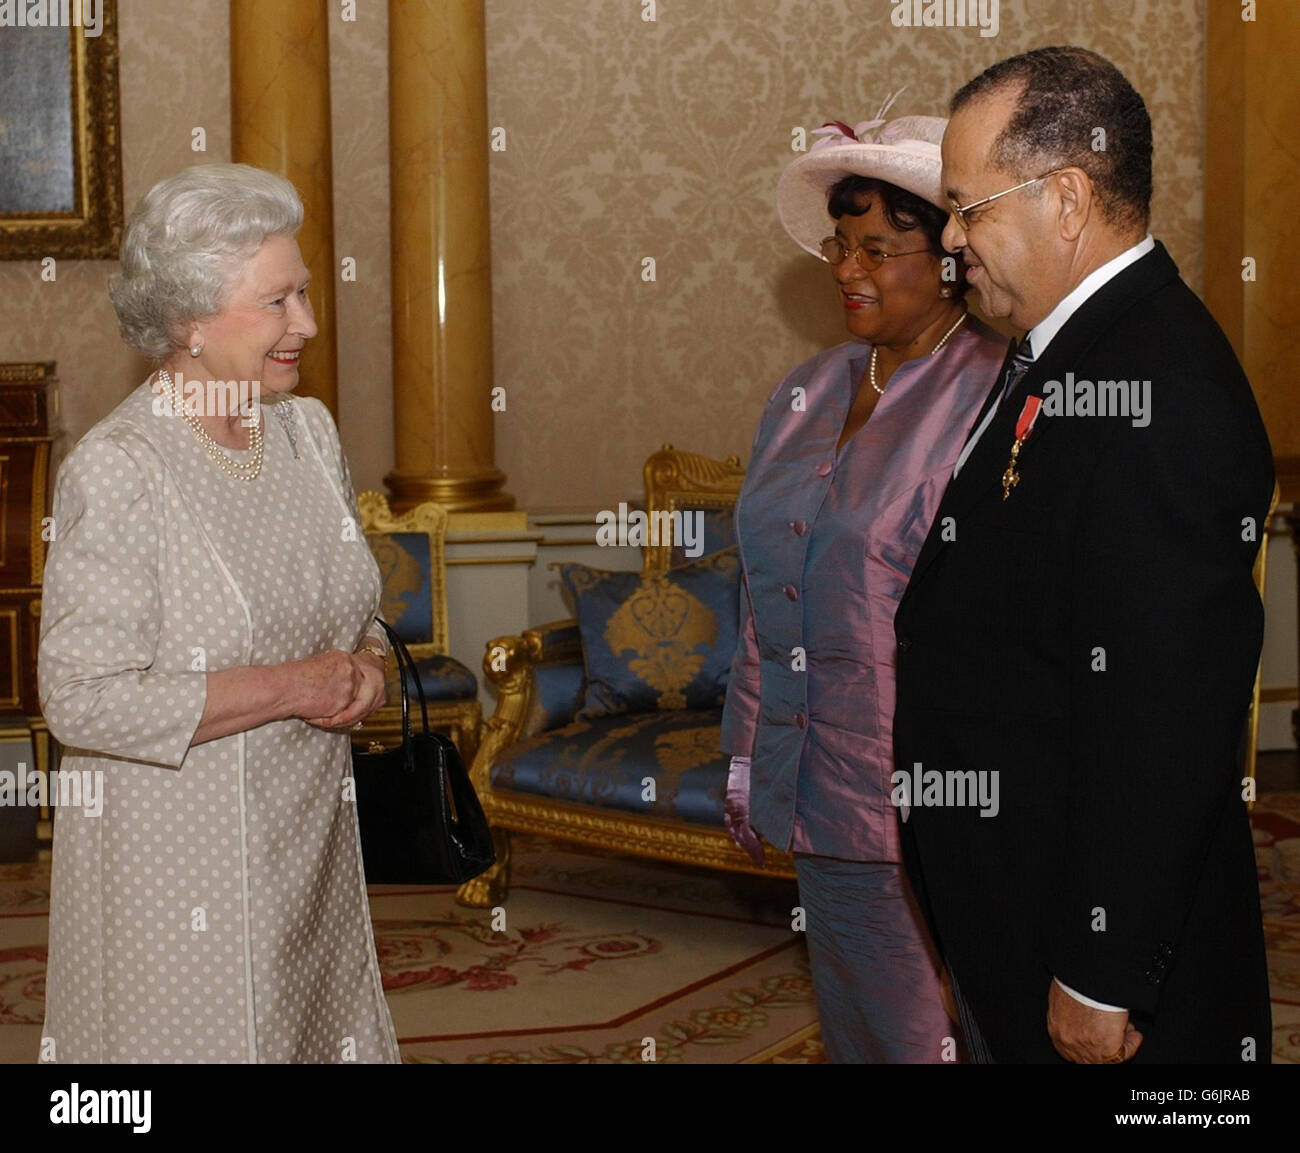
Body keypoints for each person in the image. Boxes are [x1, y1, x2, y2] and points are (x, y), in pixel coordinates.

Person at [893, 47, 1274, 1064]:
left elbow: (1165, 716)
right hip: (1010, 898)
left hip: (1090, 950)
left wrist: (1100, 970)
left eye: (967, 208)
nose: (948, 237)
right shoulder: (1061, 348)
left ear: (1065, 199)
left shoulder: (1159, 387)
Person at [38, 163, 401, 1063]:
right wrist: (294, 685)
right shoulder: (123, 467)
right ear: (189, 318)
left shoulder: (308, 431)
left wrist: (366, 667)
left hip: (310, 848)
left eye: (306, 292)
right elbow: (80, 696)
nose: (308, 323)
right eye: (279, 301)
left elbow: (351, 609)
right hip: (177, 867)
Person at [719, 102, 1006, 1063]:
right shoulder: (803, 394)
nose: (846, 269)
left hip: (924, 801)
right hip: (813, 789)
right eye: (841, 246)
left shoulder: (999, 393)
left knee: (938, 1031)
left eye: (879, 248)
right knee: (859, 1031)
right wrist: (747, 757)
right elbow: (763, 601)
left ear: (954, 258)